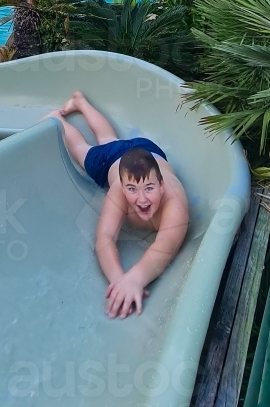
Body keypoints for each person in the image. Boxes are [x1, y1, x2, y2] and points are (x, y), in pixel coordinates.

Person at [47, 91, 189, 319]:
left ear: (162, 185)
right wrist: (119, 282)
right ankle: (58, 119)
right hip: (115, 159)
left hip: (146, 153)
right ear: (123, 188)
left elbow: (166, 244)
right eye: (132, 190)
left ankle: (80, 103)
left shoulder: (175, 201)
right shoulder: (118, 191)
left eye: (150, 189)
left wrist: (135, 279)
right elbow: (105, 238)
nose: (142, 199)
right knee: (83, 151)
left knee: (110, 141)